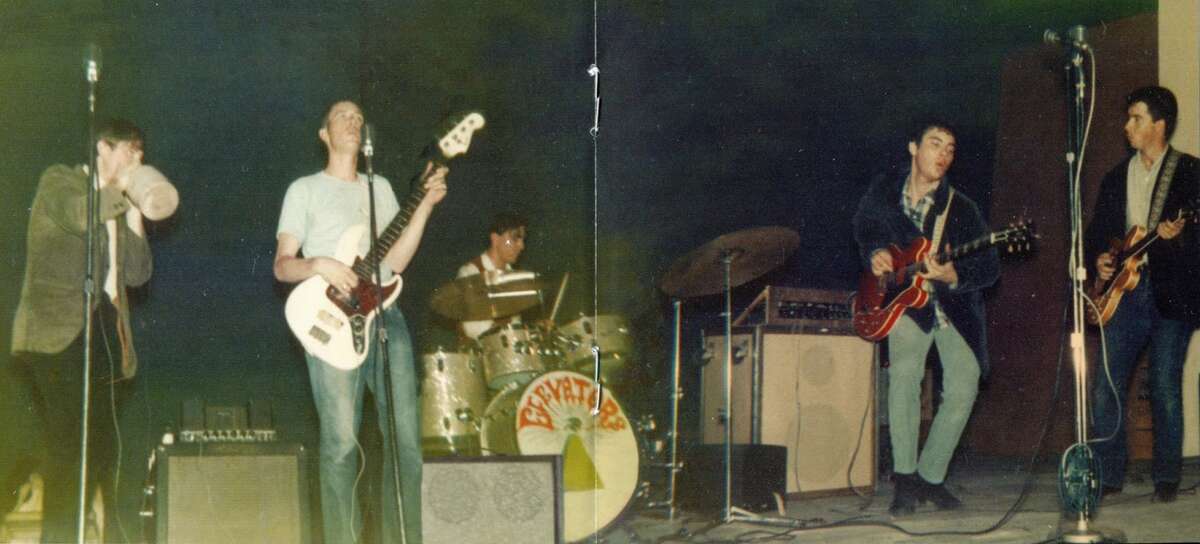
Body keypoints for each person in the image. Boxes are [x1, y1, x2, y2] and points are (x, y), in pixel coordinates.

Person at [274, 100, 447, 543]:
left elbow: (396, 261)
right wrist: (319, 264)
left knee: (407, 443)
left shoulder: (381, 187)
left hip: (387, 318)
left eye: (357, 117)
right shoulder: (304, 189)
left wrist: (424, 205)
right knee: (340, 447)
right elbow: (282, 266)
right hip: (332, 324)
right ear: (324, 134)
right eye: (341, 116)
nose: (353, 121)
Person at [9, 119, 154, 543]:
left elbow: (139, 273)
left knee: (103, 455)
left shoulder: (118, 204)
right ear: (103, 149)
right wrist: (117, 191)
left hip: (105, 332)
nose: (137, 160)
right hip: (59, 334)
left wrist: (139, 212)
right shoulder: (61, 182)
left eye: (140, 154)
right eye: (130, 150)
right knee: (70, 449)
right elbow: (79, 215)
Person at [853, 119, 999, 516]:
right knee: (904, 375)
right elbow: (864, 225)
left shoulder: (961, 207)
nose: (944, 155)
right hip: (903, 304)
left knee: (965, 386)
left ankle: (930, 478)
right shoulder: (884, 191)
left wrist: (955, 274)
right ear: (913, 148)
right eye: (936, 145)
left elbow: (990, 268)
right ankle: (904, 478)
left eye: (951, 149)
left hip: (952, 307)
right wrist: (875, 252)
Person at [1085, 86, 1200, 504]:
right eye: (1128, 118)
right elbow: (1100, 230)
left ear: (1159, 124)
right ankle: (1109, 473)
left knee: (1165, 383)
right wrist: (1099, 258)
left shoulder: (1189, 173)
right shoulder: (1116, 176)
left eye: (1136, 118)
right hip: (1124, 294)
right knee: (1106, 385)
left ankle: (1167, 477)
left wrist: (1178, 238)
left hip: (1172, 295)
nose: (1127, 126)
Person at [456, 212, 529, 339]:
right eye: (515, 238)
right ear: (495, 238)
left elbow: (515, 328)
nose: (522, 246)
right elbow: (473, 329)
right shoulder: (471, 272)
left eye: (523, 240)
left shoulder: (513, 277)